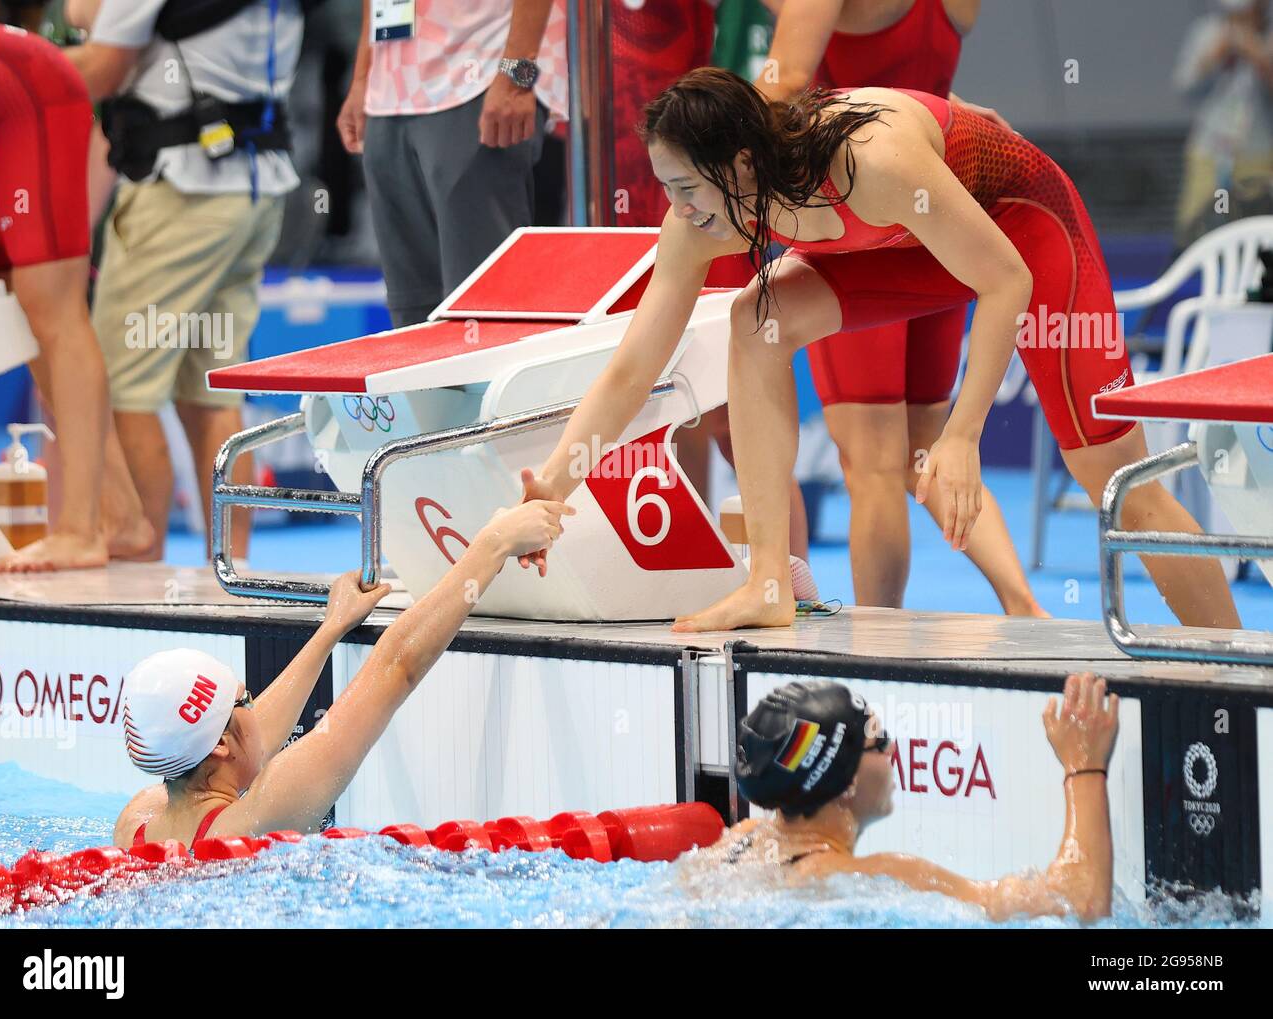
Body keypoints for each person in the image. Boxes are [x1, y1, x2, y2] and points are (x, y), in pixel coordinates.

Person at [519, 69, 1242, 634]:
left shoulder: (870, 160)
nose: (677, 209)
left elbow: (1005, 279)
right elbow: (633, 365)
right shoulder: (701, 218)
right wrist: (554, 481)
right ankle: (770, 581)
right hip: (906, 245)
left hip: (1022, 230)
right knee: (756, 321)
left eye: (683, 187)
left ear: (741, 165)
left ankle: (1238, 666)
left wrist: (961, 436)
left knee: (1117, 483)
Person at [750, 0, 1041, 615]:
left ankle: (879, 641)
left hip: (861, 220)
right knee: (925, 445)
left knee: (873, 464)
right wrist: (948, 106)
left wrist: (705, 144)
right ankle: (1023, 604)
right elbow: (904, 87)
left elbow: (783, 89)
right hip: (942, 217)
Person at [113, 496, 572, 848]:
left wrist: (331, 628)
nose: (258, 706)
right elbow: (397, 667)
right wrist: (494, 543)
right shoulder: (261, 815)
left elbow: (240, 740)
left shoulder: (136, 821)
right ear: (218, 745)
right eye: (246, 698)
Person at [64, 0, 305, 565]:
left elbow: (100, 63)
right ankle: (232, 566)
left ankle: (135, 555)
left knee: (119, 387)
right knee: (209, 393)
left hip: (181, 196)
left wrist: (8, 64)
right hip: (253, 189)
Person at [690, 672, 1118, 922]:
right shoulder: (878, 876)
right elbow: (1080, 902)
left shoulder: (738, 844)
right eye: (880, 740)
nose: (894, 749)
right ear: (846, 781)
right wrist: (1084, 764)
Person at [0, 16, 154, 572]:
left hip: (29, 91)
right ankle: (123, 517)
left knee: (50, 303)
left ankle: (80, 530)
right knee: (11, 302)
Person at [337, 0, 568, 329]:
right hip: (390, 91)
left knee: (484, 309)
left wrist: (518, 75)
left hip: (480, 76)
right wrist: (363, 77)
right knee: (412, 311)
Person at [1174, 0, 1273, 250]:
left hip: (1258, 153)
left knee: (1259, 229)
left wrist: (1258, 56)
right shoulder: (1207, 31)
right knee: (1192, 225)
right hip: (1209, 150)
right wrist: (1212, 58)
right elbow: (1184, 87)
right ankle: (1189, 280)